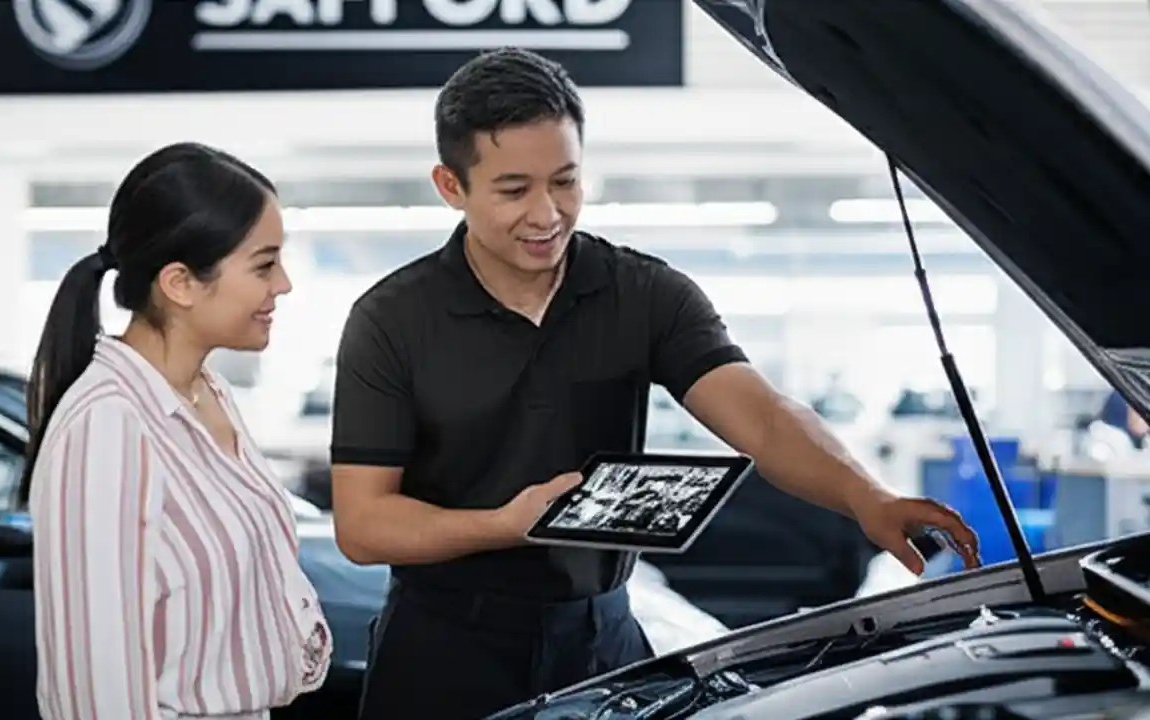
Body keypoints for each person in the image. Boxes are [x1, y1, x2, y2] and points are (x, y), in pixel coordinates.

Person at [329, 48, 982, 720]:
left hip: (601, 640)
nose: (548, 213)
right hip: (443, 654)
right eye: (514, 189)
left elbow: (762, 417)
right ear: (451, 185)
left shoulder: (643, 295)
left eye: (565, 181)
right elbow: (363, 524)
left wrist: (865, 496)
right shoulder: (391, 320)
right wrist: (506, 526)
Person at [23, 142, 332, 720]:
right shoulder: (108, 425)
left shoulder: (207, 392)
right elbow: (93, 693)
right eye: (264, 265)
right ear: (180, 283)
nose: (283, 284)